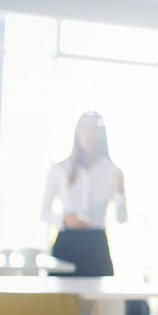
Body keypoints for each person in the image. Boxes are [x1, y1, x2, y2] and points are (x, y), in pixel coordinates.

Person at [41, 111, 126, 277]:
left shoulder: (113, 171)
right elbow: (44, 211)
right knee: (61, 300)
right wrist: (65, 220)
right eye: (85, 127)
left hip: (97, 245)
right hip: (67, 242)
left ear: (102, 134)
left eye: (95, 129)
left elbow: (121, 218)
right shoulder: (60, 169)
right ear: (77, 132)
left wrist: (120, 191)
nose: (90, 133)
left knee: (95, 301)